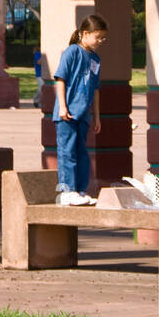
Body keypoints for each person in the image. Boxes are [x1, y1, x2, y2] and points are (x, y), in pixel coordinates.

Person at [53, 14, 108, 206]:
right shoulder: (72, 52)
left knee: (81, 153)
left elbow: (96, 90)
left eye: (103, 38)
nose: (101, 41)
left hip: (83, 115)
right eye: (98, 37)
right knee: (67, 151)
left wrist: (97, 117)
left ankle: (80, 189)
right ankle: (67, 189)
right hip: (67, 114)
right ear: (85, 34)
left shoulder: (95, 59)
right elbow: (61, 80)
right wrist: (62, 106)